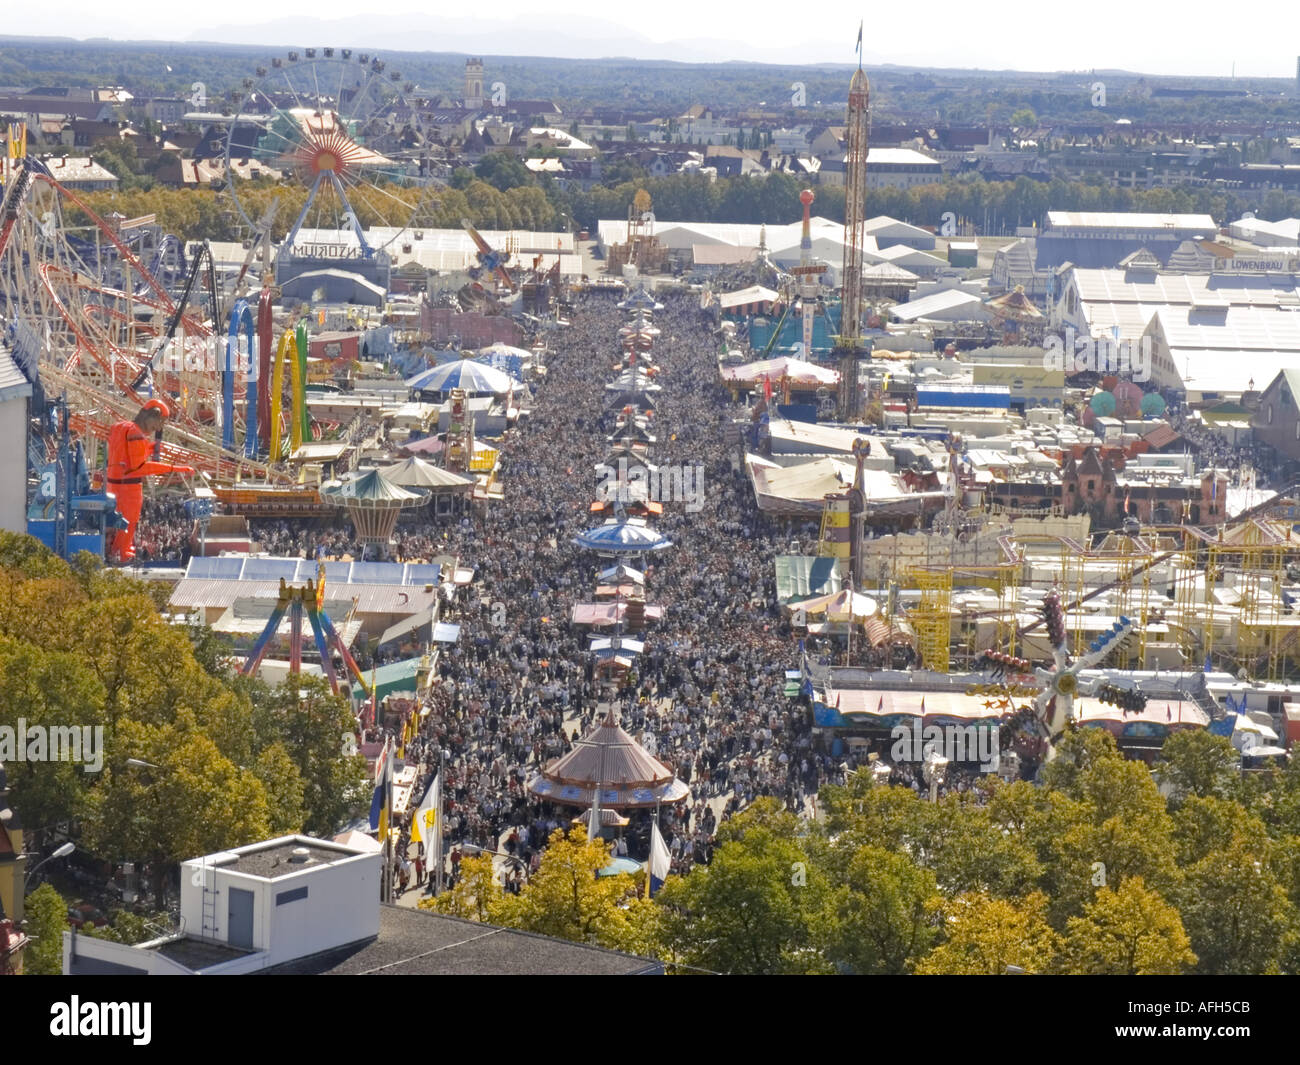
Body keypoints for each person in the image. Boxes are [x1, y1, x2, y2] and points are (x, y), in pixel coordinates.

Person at [106, 398, 195, 563]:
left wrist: (147, 447)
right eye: (160, 421)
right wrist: (175, 468)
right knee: (129, 521)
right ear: (151, 415)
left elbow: (123, 455)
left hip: (113, 484)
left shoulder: (120, 427)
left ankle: (118, 550)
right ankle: (122, 553)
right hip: (129, 488)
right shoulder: (136, 434)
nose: (159, 427)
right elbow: (139, 467)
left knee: (116, 521)